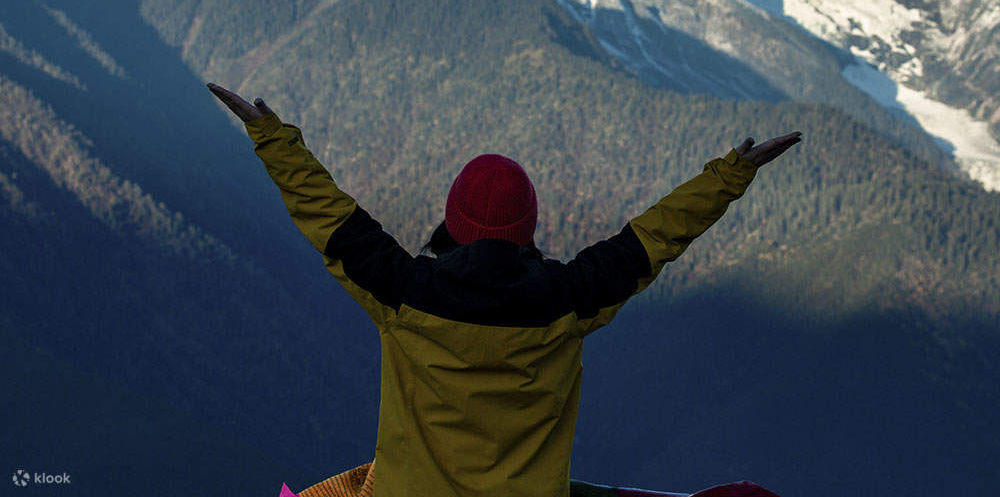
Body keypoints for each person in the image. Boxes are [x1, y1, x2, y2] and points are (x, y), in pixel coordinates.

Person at [207, 82, 801, 497]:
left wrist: (273, 138)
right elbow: (652, 239)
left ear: (452, 224)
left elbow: (331, 218)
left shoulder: (403, 292)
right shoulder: (571, 299)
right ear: (528, 231)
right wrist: (731, 174)